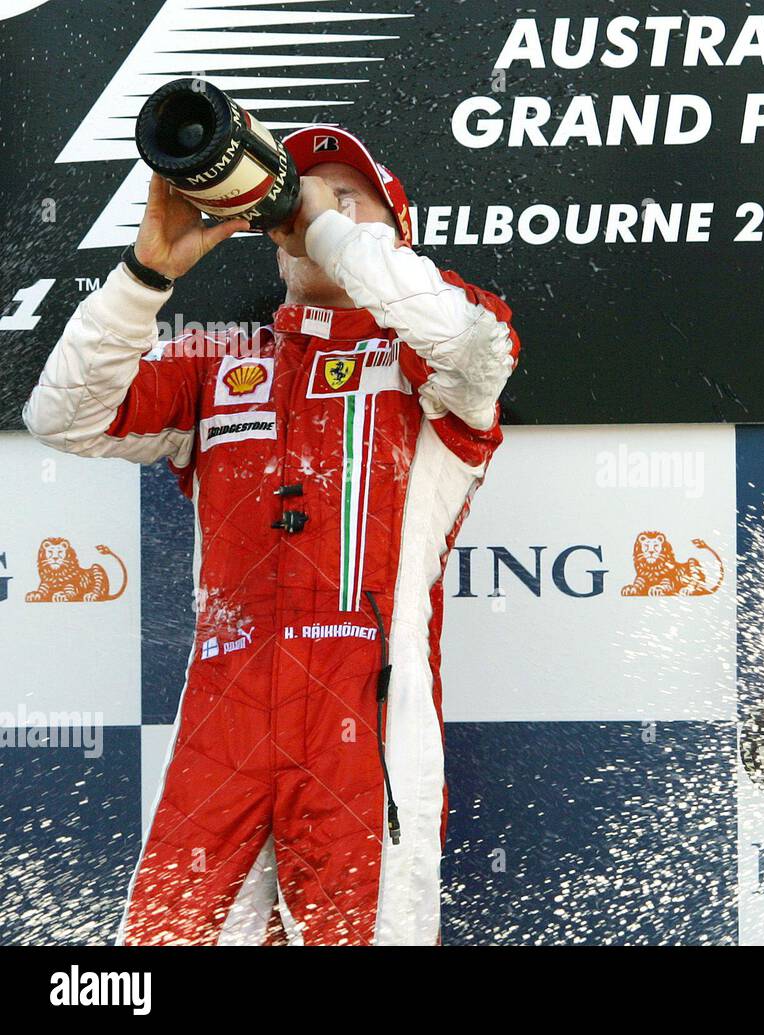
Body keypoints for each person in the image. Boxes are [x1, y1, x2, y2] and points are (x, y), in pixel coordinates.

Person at [23, 126, 520, 945]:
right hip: (221, 735)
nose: (311, 206)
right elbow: (60, 417)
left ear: (401, 240)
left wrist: (319, 221)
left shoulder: (443, 366)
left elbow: (467, 338)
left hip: (368, 733)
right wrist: (146, 276)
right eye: (299, 192)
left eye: (347, 196)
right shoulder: (218, 364)